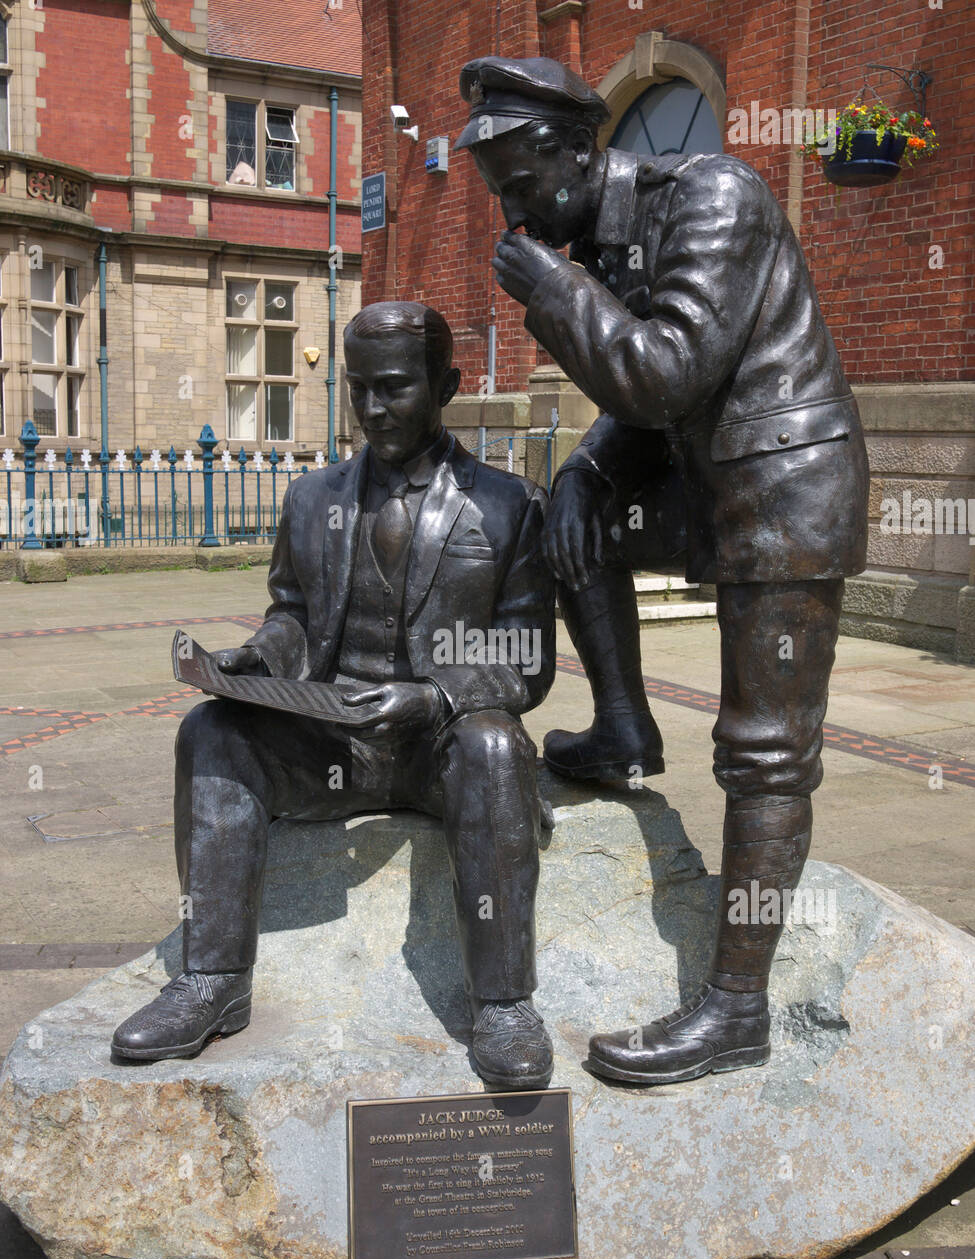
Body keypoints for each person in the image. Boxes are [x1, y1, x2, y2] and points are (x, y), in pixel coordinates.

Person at [457, 56, 868, 1085]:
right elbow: (648, 406)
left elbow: (666, 369)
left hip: (787, 493)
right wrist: (592, 471)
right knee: (565, 512)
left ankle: (736, 1008)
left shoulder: (714, 196)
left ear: (577, 150)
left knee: (765, 755)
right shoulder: (601, 235)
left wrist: (555, 293)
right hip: (708, 475)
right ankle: (625, 726)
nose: (512, 211)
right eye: (497, 189)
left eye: (520, 183)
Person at [112, 301, 556, 1091]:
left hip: (438, 745)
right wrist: (259, 655)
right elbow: (291, 613)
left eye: (394, 389)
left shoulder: (507, 505)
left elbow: (527, 659)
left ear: (446, 385)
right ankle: (212, 979)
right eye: (358, 390)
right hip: (330, 740)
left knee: (493, 745)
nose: (373, 409)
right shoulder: (312, 498)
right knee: (211, 731)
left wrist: (432, 698)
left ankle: (503, 1001)